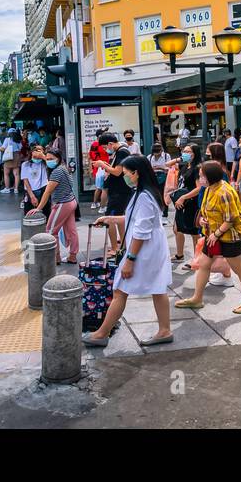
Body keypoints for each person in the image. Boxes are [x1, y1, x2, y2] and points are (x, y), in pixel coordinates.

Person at [82, 155, 174, 347]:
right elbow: (134, 218)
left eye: (126, 173)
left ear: (136, 173)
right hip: (150, 248)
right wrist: (111, 219)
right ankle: (164, 330)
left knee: (120, 290)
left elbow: (141, 231)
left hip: (144, 250)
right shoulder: (145, 192)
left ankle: (101, 334)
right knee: (157, 288)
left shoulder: (144, 196)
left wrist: (130, 259)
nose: (124, 176)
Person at [175, 161, 241, 315]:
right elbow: (206, 210)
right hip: (212, 235)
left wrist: (216, 234)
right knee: (204, 264)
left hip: (231, 237)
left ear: (210, 176)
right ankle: (197, 298)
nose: (200, 178)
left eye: (202, 176)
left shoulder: (225, 192)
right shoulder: (208, 189)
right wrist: (203, 220)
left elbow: (231, 219)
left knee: (238, 268)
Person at [35, 146, 79, 265]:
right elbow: (49, 158)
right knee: (72, 230)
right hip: (71, 202)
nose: (48, 161)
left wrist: (38, 208)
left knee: (50, 231)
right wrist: (43, 156)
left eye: (51, 159)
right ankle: (73, 256)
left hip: (62, 204)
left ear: (58, 158)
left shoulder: (57, 172)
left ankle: (56, 258)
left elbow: (47, 192)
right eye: (47, 159)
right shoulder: (63, 167)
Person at [170, 143, 202, 263]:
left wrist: (183, 197)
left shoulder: (197, 168)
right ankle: (179, 255)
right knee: (177, 229)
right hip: (181, 202)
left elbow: (199, 188)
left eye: (189, 152)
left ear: (195, 154)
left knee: (194, 232)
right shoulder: (185, 166)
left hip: (192, 203)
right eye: (185, 151)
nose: (185, 153)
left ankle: (197, 260)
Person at [96, 133, 133, 217]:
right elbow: (116, 169)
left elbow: (117, 172)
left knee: (111, 219)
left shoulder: (122, 152)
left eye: (105, 147)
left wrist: (102, 165)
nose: (105, 150)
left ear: (110, 144)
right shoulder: (119, 151)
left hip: (120, 191)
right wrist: (105, 164)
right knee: (117, 219)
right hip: (117, 191)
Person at [20, 144, 49, 211]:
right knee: (29, 212)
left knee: (45, 211)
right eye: (36, 150)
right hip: (29, 191)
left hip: (43, 190)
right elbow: (25, 181)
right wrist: (32, 196)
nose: (38, 153)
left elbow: (53, 165)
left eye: (40, 151)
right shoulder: (25, 164)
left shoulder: (44, 163)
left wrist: (42, 156)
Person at [0, 128, 23, 194]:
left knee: (6, 174)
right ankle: (16, 189)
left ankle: (7, 188)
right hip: (17, 156)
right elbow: (20, 148)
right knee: (16, 174)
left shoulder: (7, 139)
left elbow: (2, 149)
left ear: (9, 133)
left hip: (9, 156)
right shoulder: (18, 140)